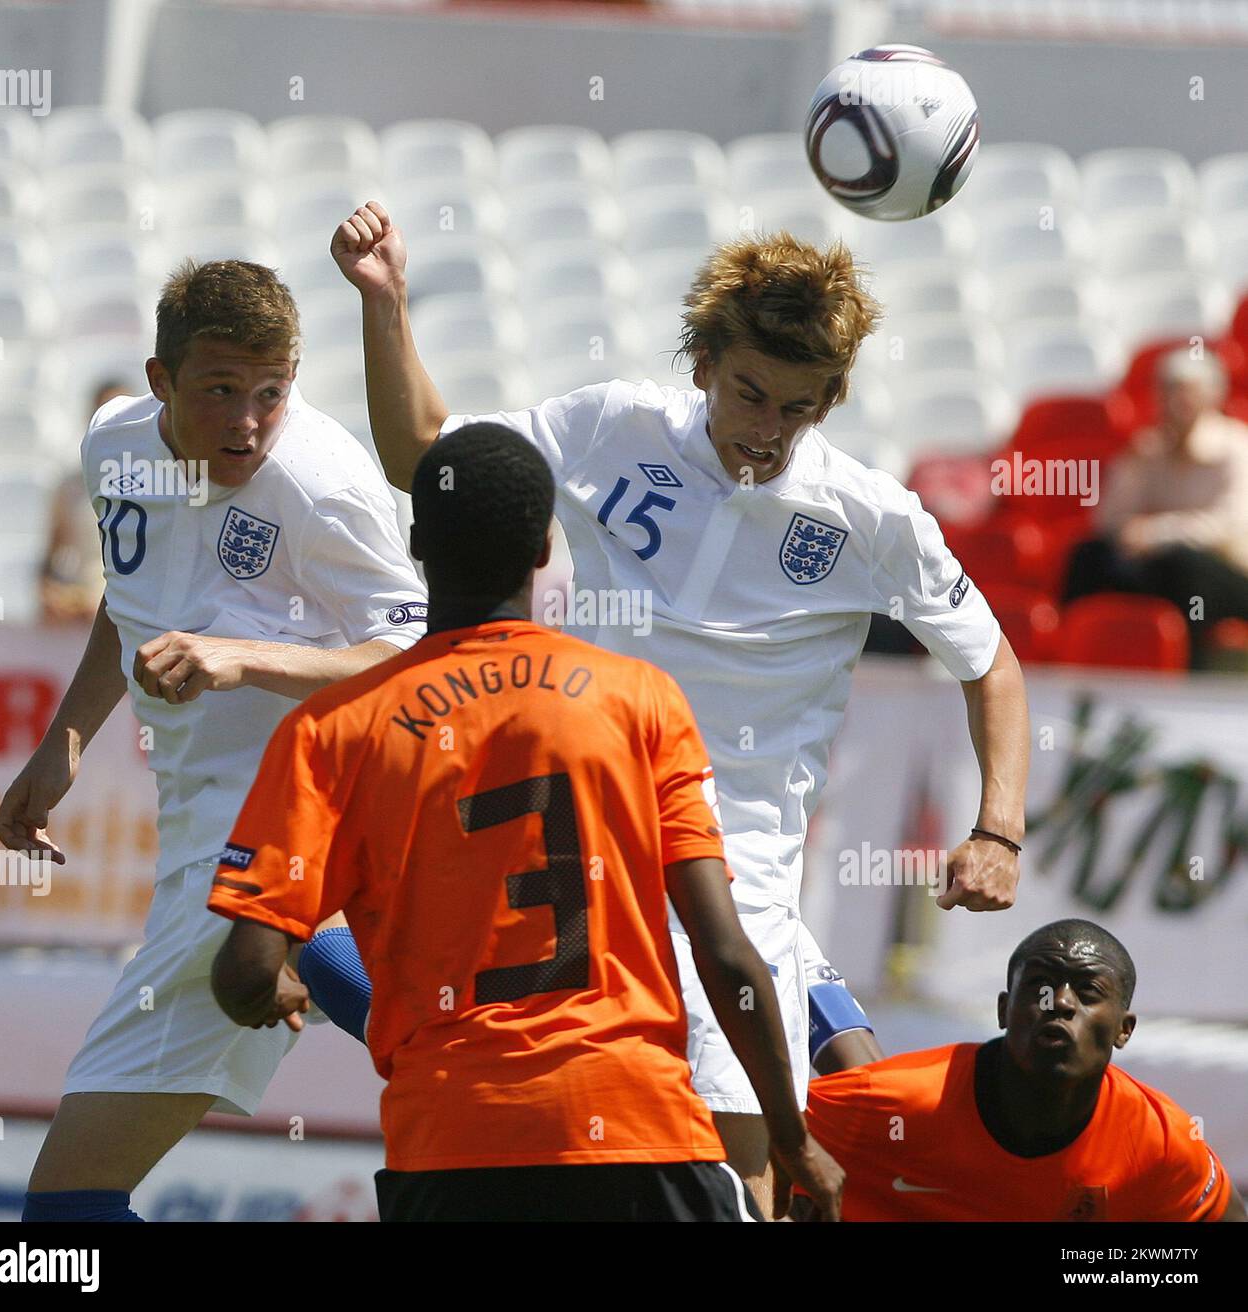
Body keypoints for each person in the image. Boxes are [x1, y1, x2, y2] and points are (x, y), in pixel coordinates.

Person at [330, 201, 1031, 1214]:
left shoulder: (871, 520)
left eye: (797, 406)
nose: (767, 429)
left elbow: (992, 663)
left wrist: (996, 830)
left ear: (829, 401)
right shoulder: (614, 426)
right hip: (568, 842)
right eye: (750, 392)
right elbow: (427, 459)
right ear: (702, 360)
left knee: (729, 1170)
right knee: (543, 1134)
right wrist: (386, 302)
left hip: (729, 859)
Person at [207, 424, 843, 1222]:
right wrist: (790, 1137)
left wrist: (275, 988)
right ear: (546, 547)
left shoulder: (332, 730)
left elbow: (242, 972)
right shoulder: (638, 699)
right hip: (632, 1131)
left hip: (451, 1145)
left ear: (416, 544)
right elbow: (726, 955)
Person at [0, 259, 427, 1223]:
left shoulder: (320, 481)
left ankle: (537, 1122)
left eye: (270, 392)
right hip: (200, 859)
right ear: (160, 382)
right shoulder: (114, 449)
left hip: (317, 823)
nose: (247, 421)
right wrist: (63, 745)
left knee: (391, 1021)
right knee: (64, 1215)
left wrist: (241, 657)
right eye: (220, 390)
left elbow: (415, 653)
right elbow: (134, 602)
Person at [794, 919, 1247, 1221]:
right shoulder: (897, 1101)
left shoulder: (1161, 1141)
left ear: (1123, 1030)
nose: (1062, 1003)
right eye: (1040, 986)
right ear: (1005, 1010)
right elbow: (754, 1135)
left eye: (1088, 991)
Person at [1063, 350, 1248, 667]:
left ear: (1212, 394)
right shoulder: (1148, 448)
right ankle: (1075, 664)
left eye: (1186, 389)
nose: (1177, 399)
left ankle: (1189, 672)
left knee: (1186, 567)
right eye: (1168, 388)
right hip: (1160, 567)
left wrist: (1159, 533)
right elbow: (1107, 520)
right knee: (1088, 556)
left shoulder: (1235, 447)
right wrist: (1136, 467)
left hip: (1226, 578)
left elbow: (1229, 526)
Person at [40, 380, 133, 626]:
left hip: (127, 619)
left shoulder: (160, 488)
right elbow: (51, 560)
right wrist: (53, 596)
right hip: (79, 615)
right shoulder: (70, 486)